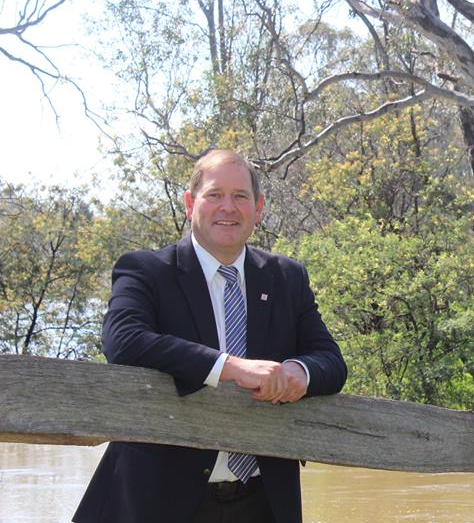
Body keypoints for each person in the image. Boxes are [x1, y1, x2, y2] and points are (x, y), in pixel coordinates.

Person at [73, 150, 347, 523]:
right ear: (190, 204)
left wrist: (299, 371)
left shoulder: (287, 277)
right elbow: (124, 340)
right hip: (156, 499)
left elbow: (330, 360)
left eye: (240, 196)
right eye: (214, 194)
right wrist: (230, 367)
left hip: (263, 501)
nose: (227, 207)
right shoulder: (146, 270)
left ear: (258, 208)